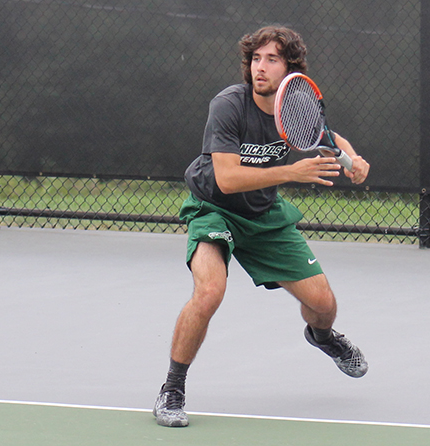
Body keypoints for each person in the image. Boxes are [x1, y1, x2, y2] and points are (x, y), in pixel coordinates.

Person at [153, 25, 371, 428]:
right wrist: (291, 171)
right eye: (256, 58)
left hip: (264, 216)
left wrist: (352, 160)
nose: (260, 67)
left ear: (290, 68)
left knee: (324, 305)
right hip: (214, 209)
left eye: (271, 59)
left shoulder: (295, 108)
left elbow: (328, 137)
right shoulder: (228, 106)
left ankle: (322, 338)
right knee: (209, 291)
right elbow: (227, 179)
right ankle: (172, 389)